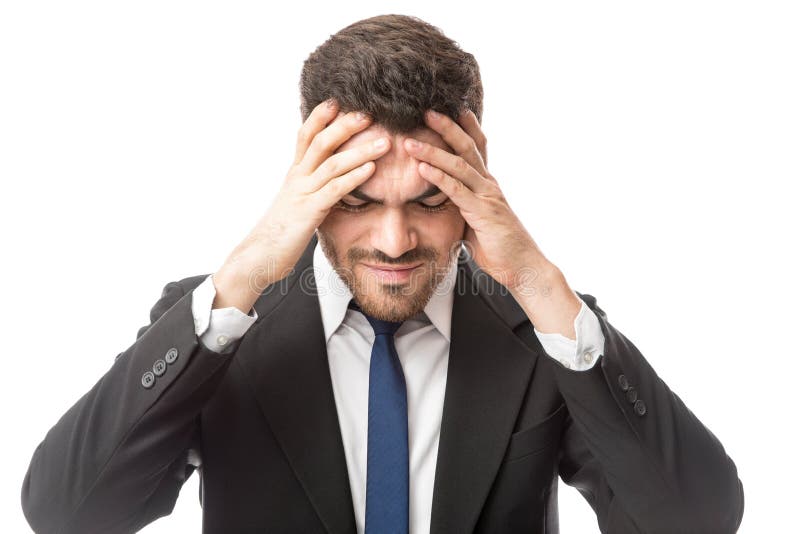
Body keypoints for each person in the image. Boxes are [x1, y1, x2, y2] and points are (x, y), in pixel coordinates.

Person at [20, 13, 744, 534]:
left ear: (474, 188)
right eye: (356, 202)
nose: (394, 242)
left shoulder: (541, 327)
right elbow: (67, 515)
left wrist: (539, 285)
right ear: (309, 185)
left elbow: (696, 520)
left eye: (430, 201)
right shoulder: (220, 327)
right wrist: (246, 270)